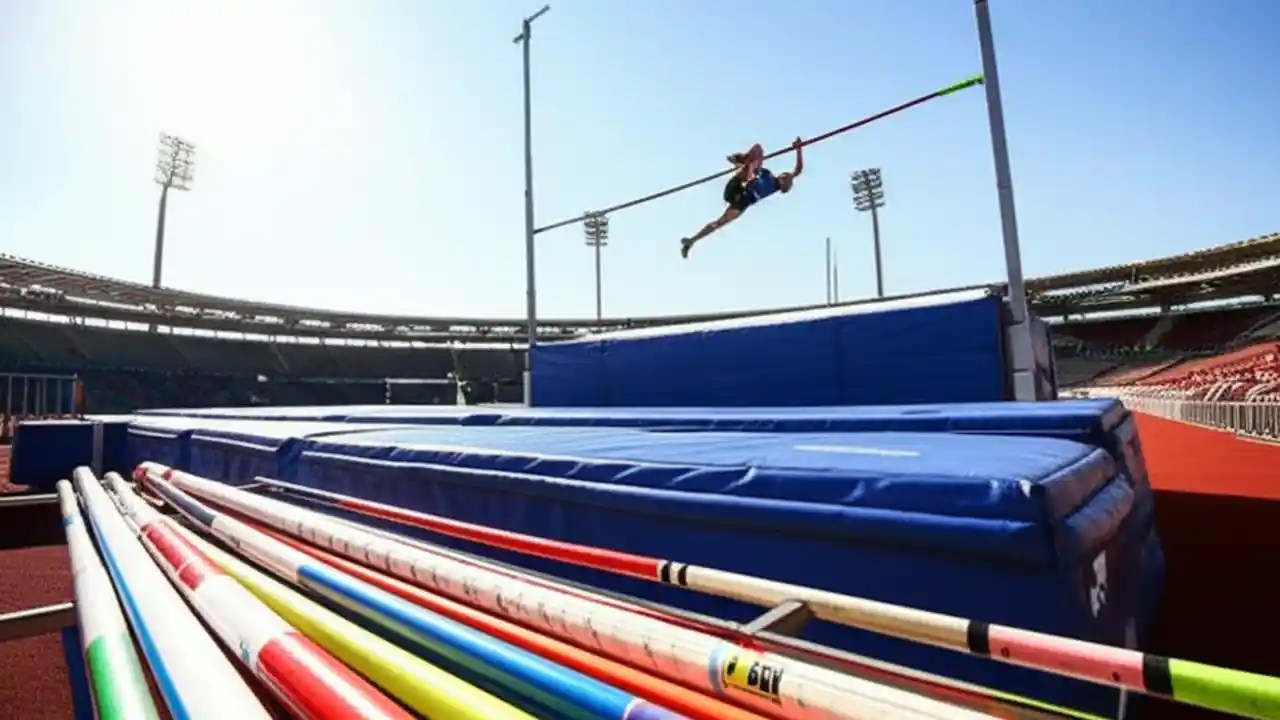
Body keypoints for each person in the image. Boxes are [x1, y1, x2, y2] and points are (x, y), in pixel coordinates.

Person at [680, 137, 803, 258]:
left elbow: (797, 171)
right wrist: (798, 149)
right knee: (757, 152)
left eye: (787, 178)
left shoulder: (775, 186)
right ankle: (742, 162)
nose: (786, 175)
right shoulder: (767, 174)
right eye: (786, 175)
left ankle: (691, 241)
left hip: (743, 200)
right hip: (738, 186)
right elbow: (797, 170)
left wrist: (798, 150)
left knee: (719, 223)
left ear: (784, 185)